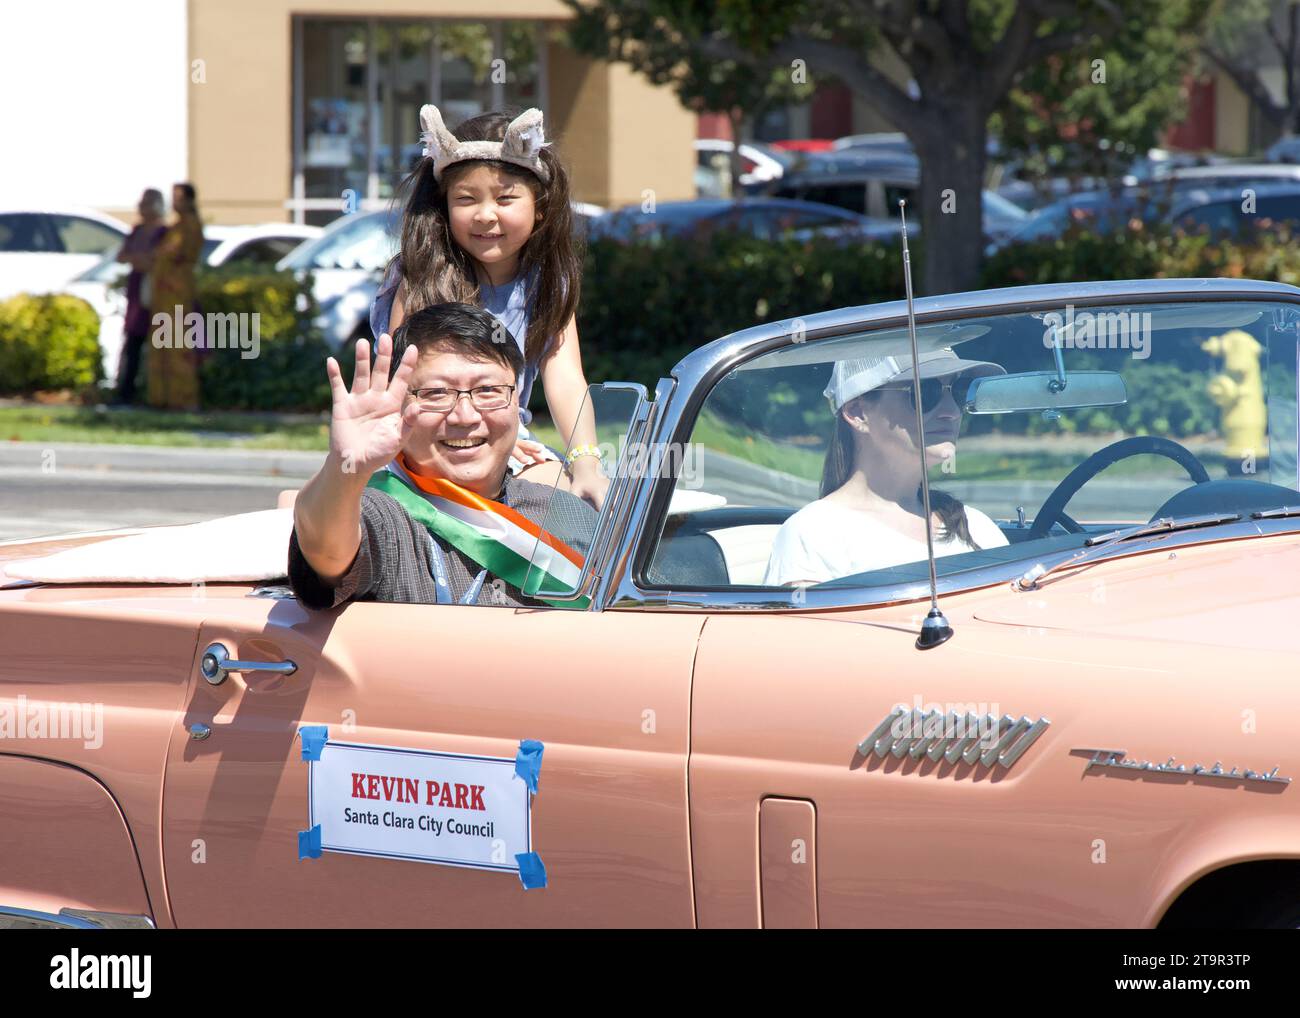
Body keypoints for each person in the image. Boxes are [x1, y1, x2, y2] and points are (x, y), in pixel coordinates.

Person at [372, 104, 607, 506]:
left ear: (541, 206)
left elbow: (565, 377)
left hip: (506, 436)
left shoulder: (549, 282)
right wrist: (475, 441)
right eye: (466, 199)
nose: (485, 214)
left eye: (505, 198)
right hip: (424, 440)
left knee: (565, 501)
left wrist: (586, 462)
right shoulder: (420, 280)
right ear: (444, 208)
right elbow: (398, 384)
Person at [289, 303, 597, 609]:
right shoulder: (386, 512)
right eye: (436, 393)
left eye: (488, 390)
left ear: (517, 399)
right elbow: (325, 552)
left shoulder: (563, 512)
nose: (464, 416)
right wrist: (345, 470)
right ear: (399, 407)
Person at [764, 349, 1010, 586]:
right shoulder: (813, 534)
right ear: (858, 413)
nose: (952, 412)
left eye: (959, 391)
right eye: (924, 392)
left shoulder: (977, 526)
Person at [146, 182, 205, 410]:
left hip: (178, 294)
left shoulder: (190, 226)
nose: (175, 203)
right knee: (163, 344)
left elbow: (177, 254)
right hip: (164, 296)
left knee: (179, 347)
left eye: (179, 198)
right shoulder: (175, 227)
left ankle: (184, 399)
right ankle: (162, 398)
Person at [112, 189, 168, 405]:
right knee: (132, 341)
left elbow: (160, 260)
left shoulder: (164, 232)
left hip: (156, 291)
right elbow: (122, 255)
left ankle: (155, 393)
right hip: (138, 291)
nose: (141, 208)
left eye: (145, 204)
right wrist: (139, 259)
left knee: (157, 343)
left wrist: (142, 260)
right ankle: (126, 392)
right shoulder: (137, 231)